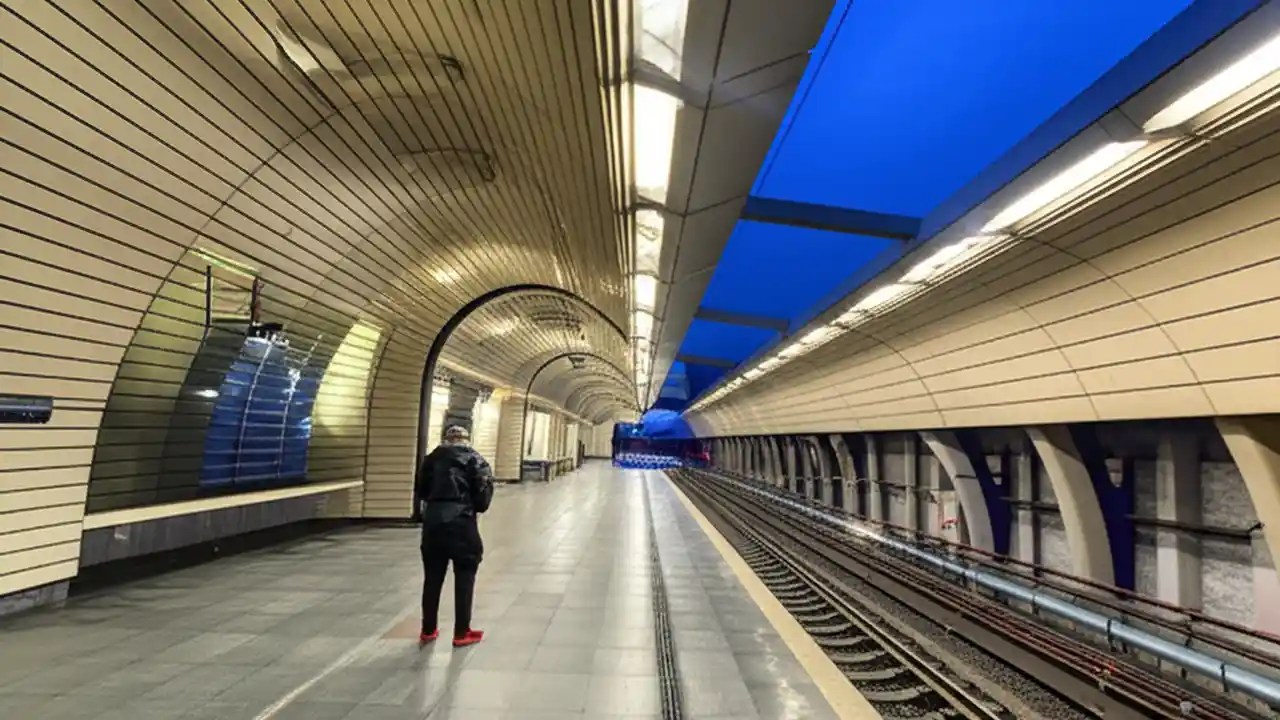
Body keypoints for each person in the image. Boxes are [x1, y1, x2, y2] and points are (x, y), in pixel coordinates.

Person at [414, 425, 494, 647]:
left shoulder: (430, 460)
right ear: (467, 440)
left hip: (433, 523)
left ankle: (428, 629)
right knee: (465, 576)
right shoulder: (475, 460)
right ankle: (461, 632)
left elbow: (421, 490)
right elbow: (483, 499)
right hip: (462, 523)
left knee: (432, 578)